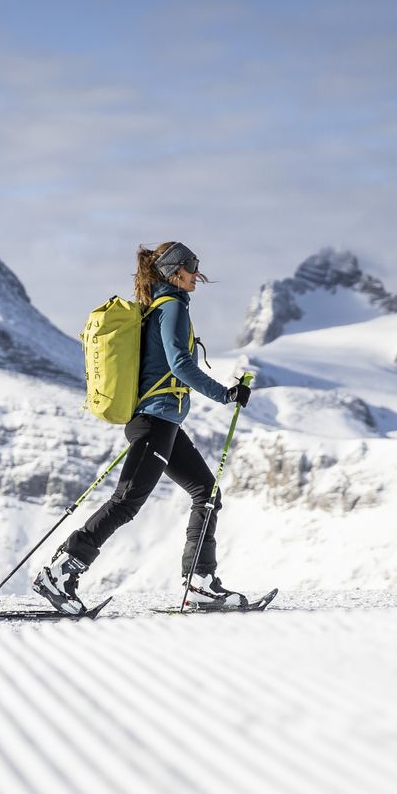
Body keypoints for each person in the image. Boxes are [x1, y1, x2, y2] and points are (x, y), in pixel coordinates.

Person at [34, 240, 252, 612]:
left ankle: (200, 582)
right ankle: (60, 572)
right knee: (126, 502)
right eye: (191, 265)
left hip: (161, 422)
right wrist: (225, 394)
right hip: (154, 421)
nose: (197, 272)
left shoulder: (161, 306)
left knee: (206, 492)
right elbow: (180, 364)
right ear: (174, 271)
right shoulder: (172, 307)